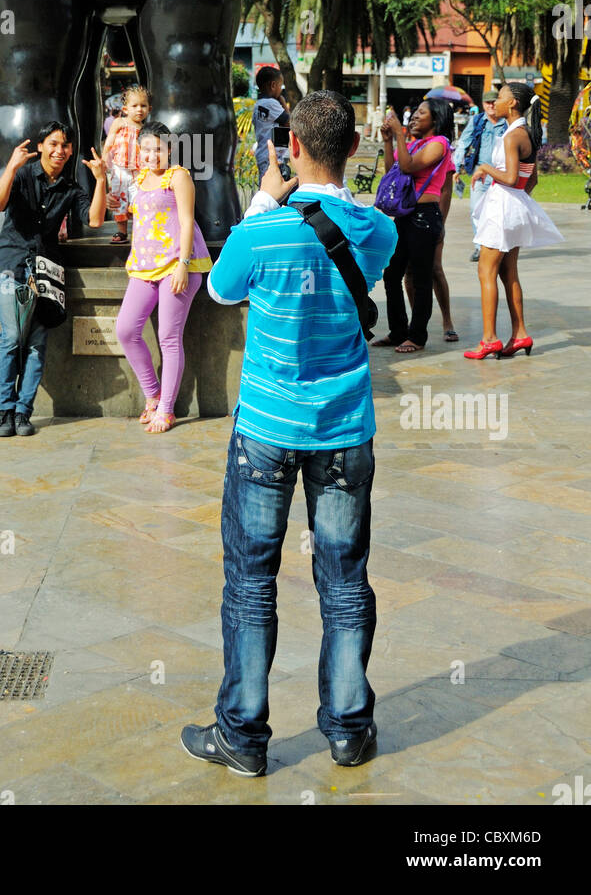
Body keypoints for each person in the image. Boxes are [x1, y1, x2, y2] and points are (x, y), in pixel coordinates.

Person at [179, 91, 397, 776]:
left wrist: (262, 201)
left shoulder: (260, 230)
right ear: (352, 151)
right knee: (344, 580)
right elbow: (359, 251)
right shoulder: (376, 230)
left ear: (290, 148)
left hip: (266, 428)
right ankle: (348, 728)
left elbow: (219, 290)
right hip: (343, 430)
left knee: (249, 583)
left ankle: (241, 736)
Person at [0, 122, 107, 437]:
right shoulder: (23, 175)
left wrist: (101, 180)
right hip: (12, 267)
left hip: (46, 272)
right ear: (41, 146)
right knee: (12, 338)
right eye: (53, 144)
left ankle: (23, 412)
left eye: (65, 145)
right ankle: (5, 410)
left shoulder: (69, 188)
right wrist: (11, 168)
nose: (60, 151)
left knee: (37, 345)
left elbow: (95, 220)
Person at [115, 122, 212, 434]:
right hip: (143, 268)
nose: (151, 154)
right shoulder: (140, 179)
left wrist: (183, 264)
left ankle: (167, 410)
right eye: (146, 149)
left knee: (168, 338)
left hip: (176, 267)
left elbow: (186, 221)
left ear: (169, 149)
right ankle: (152, 394)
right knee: (126, 330)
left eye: (158, 148)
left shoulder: (178, 176)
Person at [464, 83, 564, 360]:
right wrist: (517, 200)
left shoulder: (512, 136)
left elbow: (509, 178)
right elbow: (530, 179)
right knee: (509, 274)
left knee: (486, 272)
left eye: (500, 96)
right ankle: (520, 335)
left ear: (512, 104)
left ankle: (489, 339)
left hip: (502, 208)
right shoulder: (525, 133)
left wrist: (485, 168)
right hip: (514, 204)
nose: (495, 100)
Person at [373, 98, 454, 353]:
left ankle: (417, 336)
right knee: (392, 274)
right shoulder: (415, 144)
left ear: (436, 119)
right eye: (415, 113)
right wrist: (389, 141)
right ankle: (398, 331)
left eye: (421, 113)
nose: (415, 117)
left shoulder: (439, 144)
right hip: (406, 215)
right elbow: (392, 173)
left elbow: (408, 166)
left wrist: (399, 132)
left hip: (424, 215)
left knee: (421, 277)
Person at [404, 145, 459, 341]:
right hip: (407, 216)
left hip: (430, 218)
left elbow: (446, 191)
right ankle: (417, 322)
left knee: (435, 268)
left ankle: (447, 321)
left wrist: (440, 223)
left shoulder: (440, 150)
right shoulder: (409, 148)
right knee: (409, 271)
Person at [454, 90, 507, 261]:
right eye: (487, 103)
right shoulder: (477, 121)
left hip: (501, 174)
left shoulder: (507, 122)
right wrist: (457, 167)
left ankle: (498, 246)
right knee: (476, 210)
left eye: (494, 102)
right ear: (483, 105)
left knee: (499, 212)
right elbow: (463, 143)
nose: (491, 106)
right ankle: (480, 247)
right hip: (480, 173)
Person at [102, 84, 149, 243]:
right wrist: (104, 160)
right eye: (134, 105)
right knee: (119, 199)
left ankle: (139, 231)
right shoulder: (120, 122)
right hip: (119, 168)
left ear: (149, 108)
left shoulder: (146, 129)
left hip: (139, 170)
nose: (139, 109)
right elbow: (109, 143)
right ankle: (122, 231)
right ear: (125, 108)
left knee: (139, 200)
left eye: (143, 105)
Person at [253, 66, 290, 181]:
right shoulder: (271, 103)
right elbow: (289, 122)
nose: (281, 89)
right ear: (273, 85)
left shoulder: (258, 104)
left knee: (266, 184)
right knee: (274, 188)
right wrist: (283, 102)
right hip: (272, 156)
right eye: (280, 86)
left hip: (265, 154)